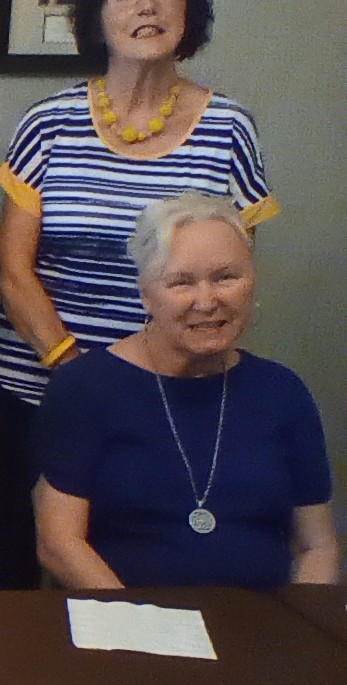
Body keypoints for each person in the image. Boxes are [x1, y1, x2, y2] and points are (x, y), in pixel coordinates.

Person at [0, 0, 275, 590]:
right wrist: (82, 377)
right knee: (5, 574)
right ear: (97, 13)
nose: (147, 6)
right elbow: (10, 269)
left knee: (136, 573)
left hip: (168, 400)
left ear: (191, 8)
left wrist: (134, 388)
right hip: (35, 388)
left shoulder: (229, 130)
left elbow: (227, 281)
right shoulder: (49, 122)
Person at [34, 195, 335, 589]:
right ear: (146, 294)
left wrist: (305, 621)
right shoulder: (85, 388)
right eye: (181, 282)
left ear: (252, 282)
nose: (207, 302)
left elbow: (317, 546)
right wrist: (140, 620)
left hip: (265, 618)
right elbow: (59, 544)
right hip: (126, 615)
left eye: (226, 277)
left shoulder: (283, 392)